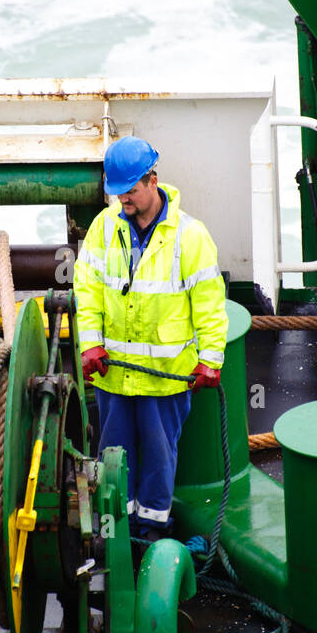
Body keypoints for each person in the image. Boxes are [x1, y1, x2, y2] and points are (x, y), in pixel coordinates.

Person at [73, 135, 228, 542]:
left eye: (131, 191)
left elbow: (210, 303)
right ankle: (116, 532)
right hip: (114, 375)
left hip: (165, 377)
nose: (123, 199)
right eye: (117, 192)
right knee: (113, 456)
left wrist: (211, 360)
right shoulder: (102, 229)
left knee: (160, 458)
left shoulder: (191, 237)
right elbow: (86, 290)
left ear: (152, 180)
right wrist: (89, 344)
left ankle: (151, 534)